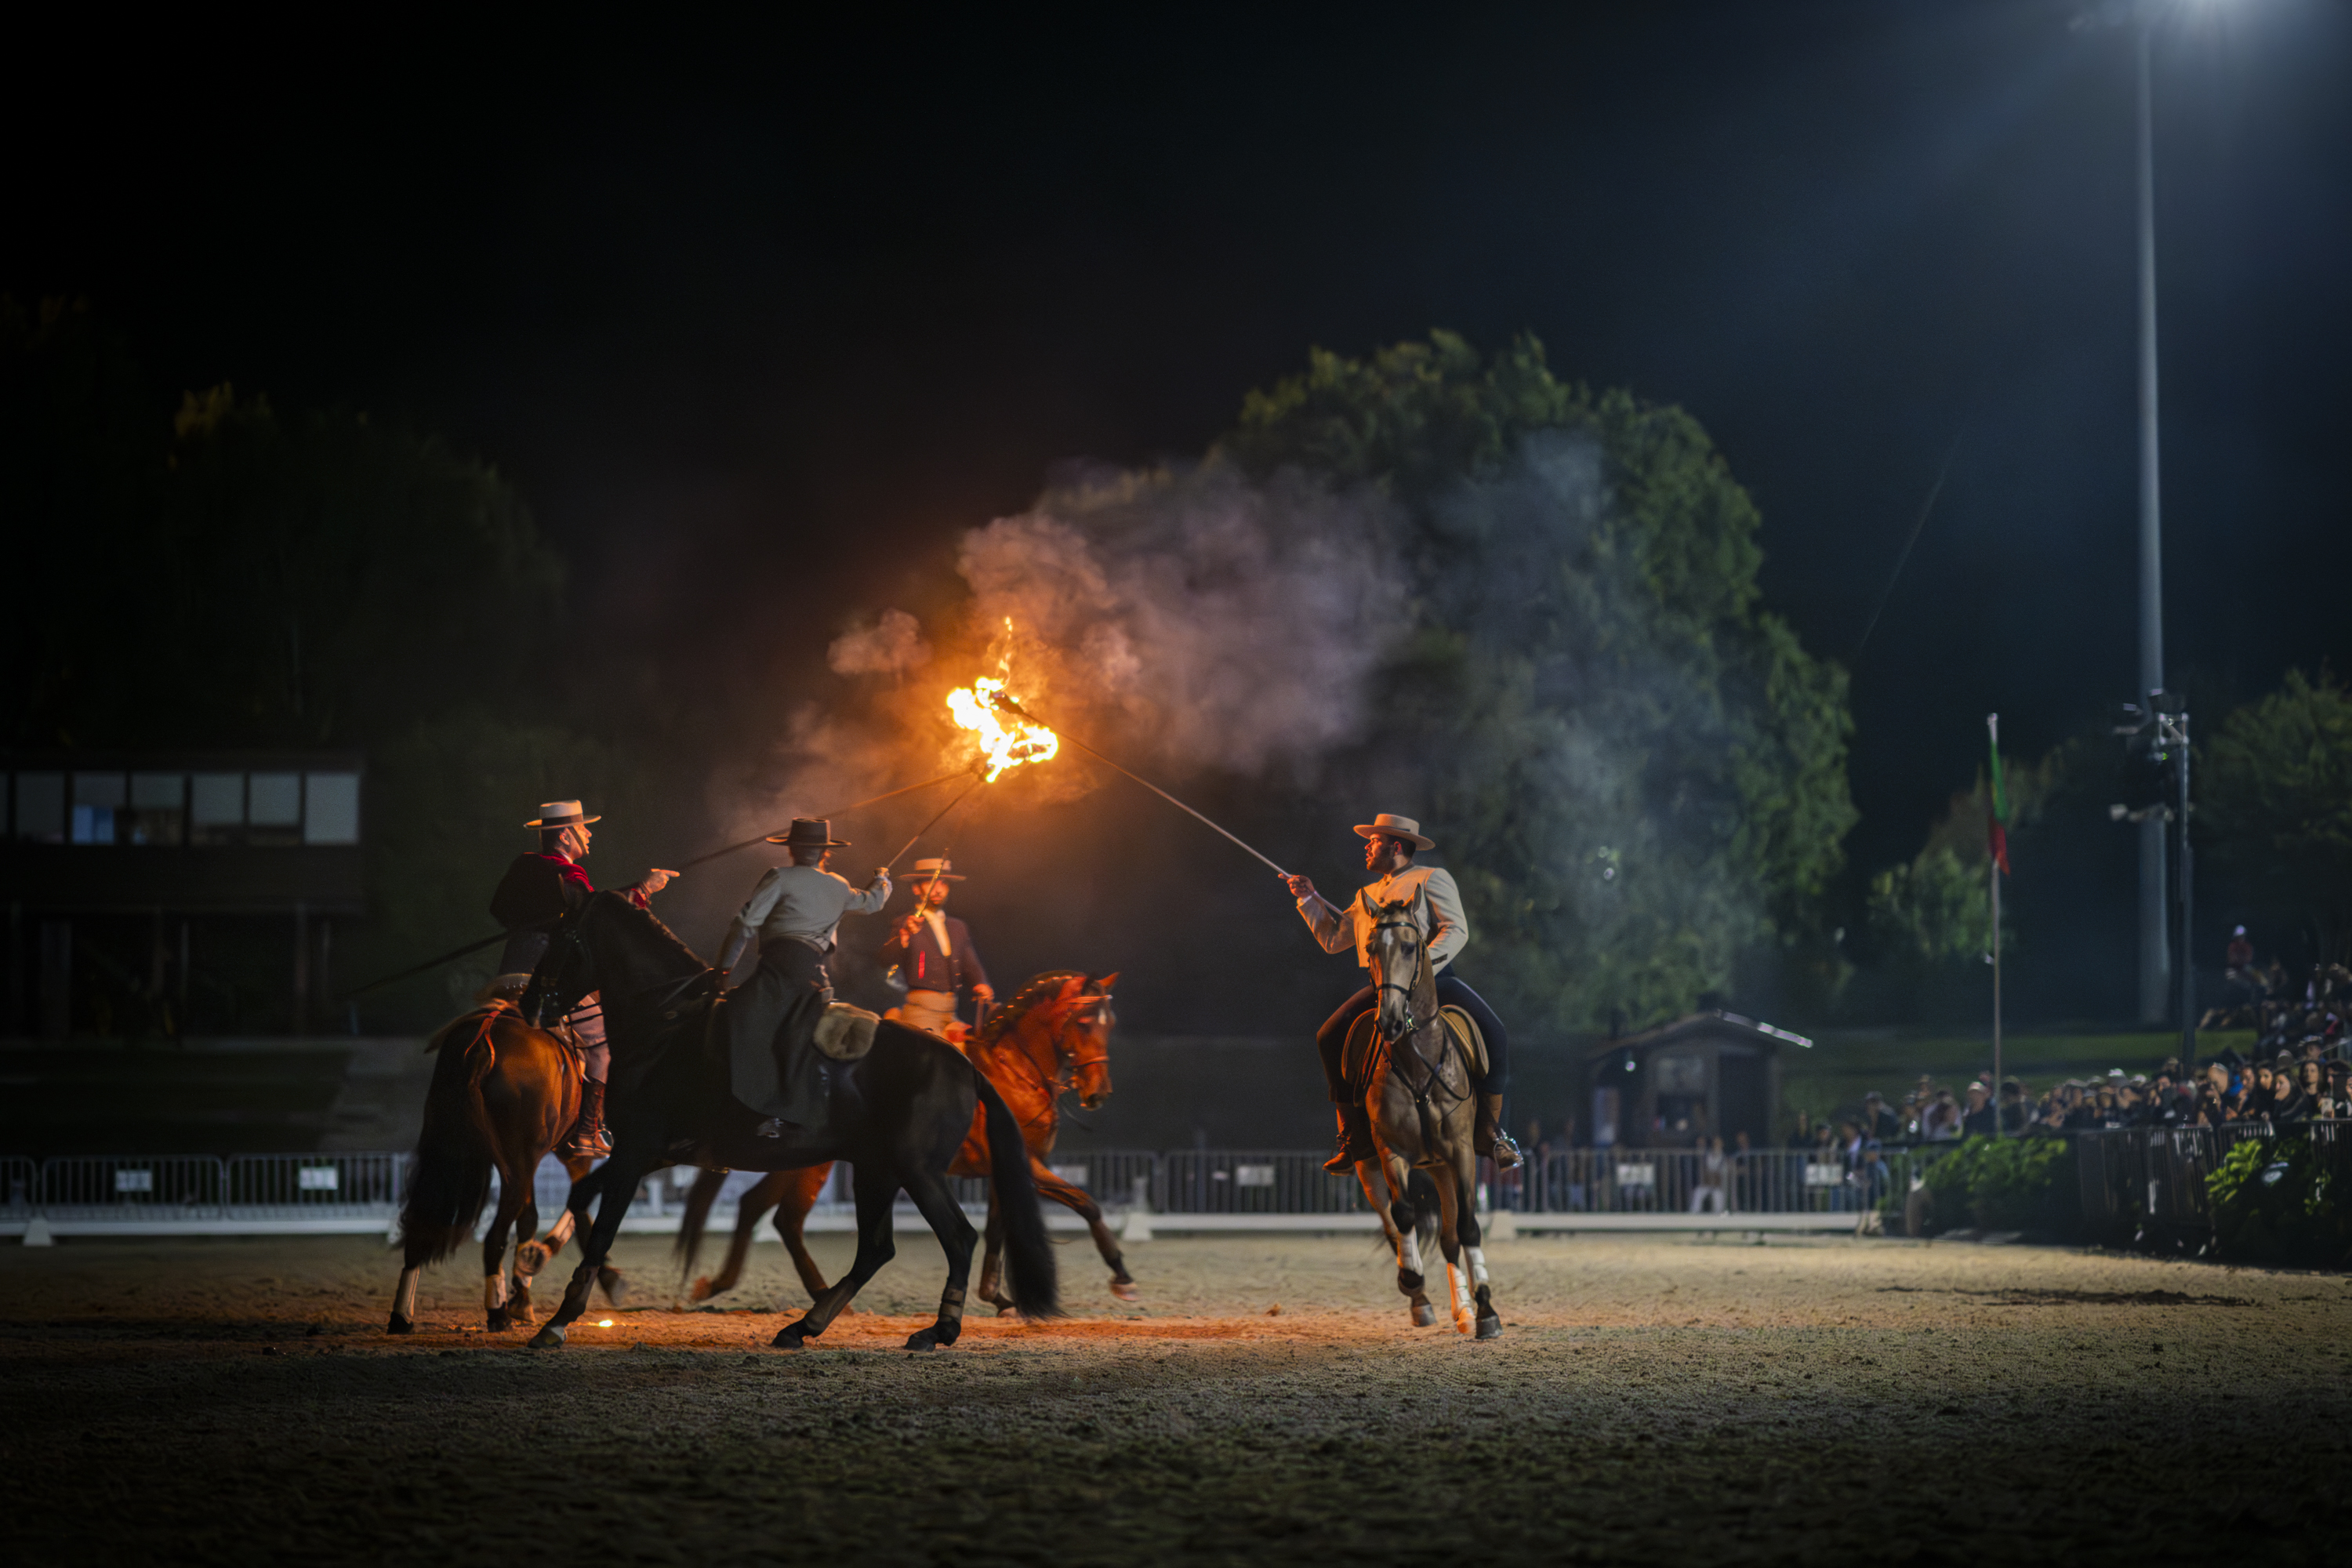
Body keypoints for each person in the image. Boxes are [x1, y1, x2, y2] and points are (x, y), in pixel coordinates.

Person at [1283, 811, 1519, 1173]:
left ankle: (1491, 1133)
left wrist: (1421, 970)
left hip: (1435, 982)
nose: (1367, 847)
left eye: (1374, 841)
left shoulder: (1431, 878)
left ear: (1395, 847)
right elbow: (1333, 940)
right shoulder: (1366, 895)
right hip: (1383, 988)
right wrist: (1308, 900)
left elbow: (1456, 930)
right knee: (1328, 1036)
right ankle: (1352, 1137)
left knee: (1495, 1033)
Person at [488, 800, 677, 1158]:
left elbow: (499, 909)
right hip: (548, 976)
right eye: (583, 828)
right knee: (602, 1043)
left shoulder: (523, 867)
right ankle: (588, 1132)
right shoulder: (569, 873)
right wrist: (644, 889)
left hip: (509, 973)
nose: (588, 834)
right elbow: (597, 918)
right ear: (565, 835)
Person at [717, 819, 890, 1138]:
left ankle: (746, 1109)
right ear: (825, 852)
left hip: (778, 970)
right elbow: (872, 902)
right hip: (814, 974)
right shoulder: (839, 885)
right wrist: (882, 880)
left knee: (735, 1018)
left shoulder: (779, 876)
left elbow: (745, 925)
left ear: (792, 850)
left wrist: (724, 969)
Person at [875, 857, 994, 1042]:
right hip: (921, 1011)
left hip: (950, 1012)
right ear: (916, 888)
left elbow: (970, 964)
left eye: (943, 883)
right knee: (931, 1050)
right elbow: (884, 959)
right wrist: (904, 936)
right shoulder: (905, 923)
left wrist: (980, 983)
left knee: (971, 1053)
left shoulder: (958, 927)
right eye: (931, 883)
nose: (938, 889)